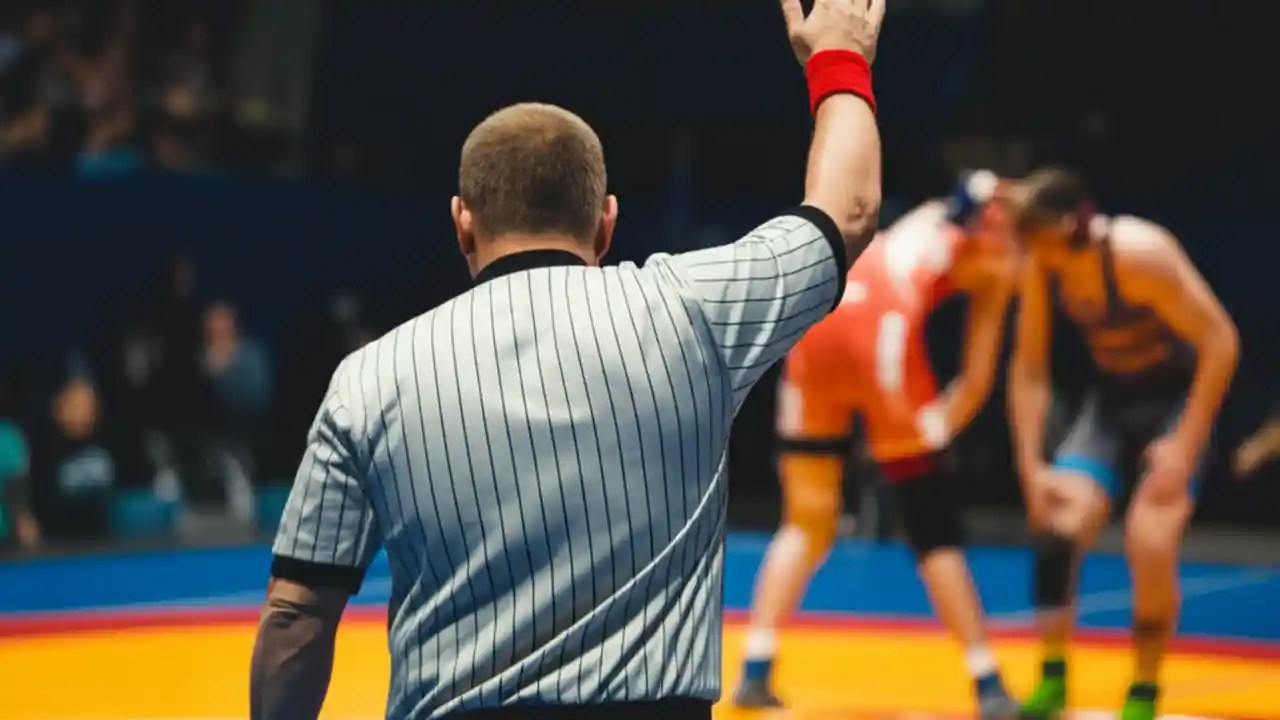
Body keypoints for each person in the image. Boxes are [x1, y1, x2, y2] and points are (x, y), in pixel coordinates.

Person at [249, 2, 887, 719]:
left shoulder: (369, 379)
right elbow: (849, 210)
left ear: (463, 221)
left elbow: (296, 615)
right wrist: (840, 59)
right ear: (606, 221)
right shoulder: (691, 312)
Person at [733, 171, 1020, 718]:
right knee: (932, 527)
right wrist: (935, 429)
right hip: (880, 329)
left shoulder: (931, 218)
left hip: (821, 321)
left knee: (805, 521)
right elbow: (978, 377)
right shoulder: (999, 257)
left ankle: (755, 667)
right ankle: (987, 682)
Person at [1007, 168, 1239, 720]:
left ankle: (1143, 689)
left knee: (1150, 542)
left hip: (1174, 402)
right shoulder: (1044, 264)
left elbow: (1221, 341)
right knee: (1058, 524)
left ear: (1067, 226)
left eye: (1035, 241)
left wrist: (1184, 445)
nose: (1029, 254)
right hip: (1113, 400)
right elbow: (1030, 367)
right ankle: (1054, 677)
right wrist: (1029, 463)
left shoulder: (1142, 253)